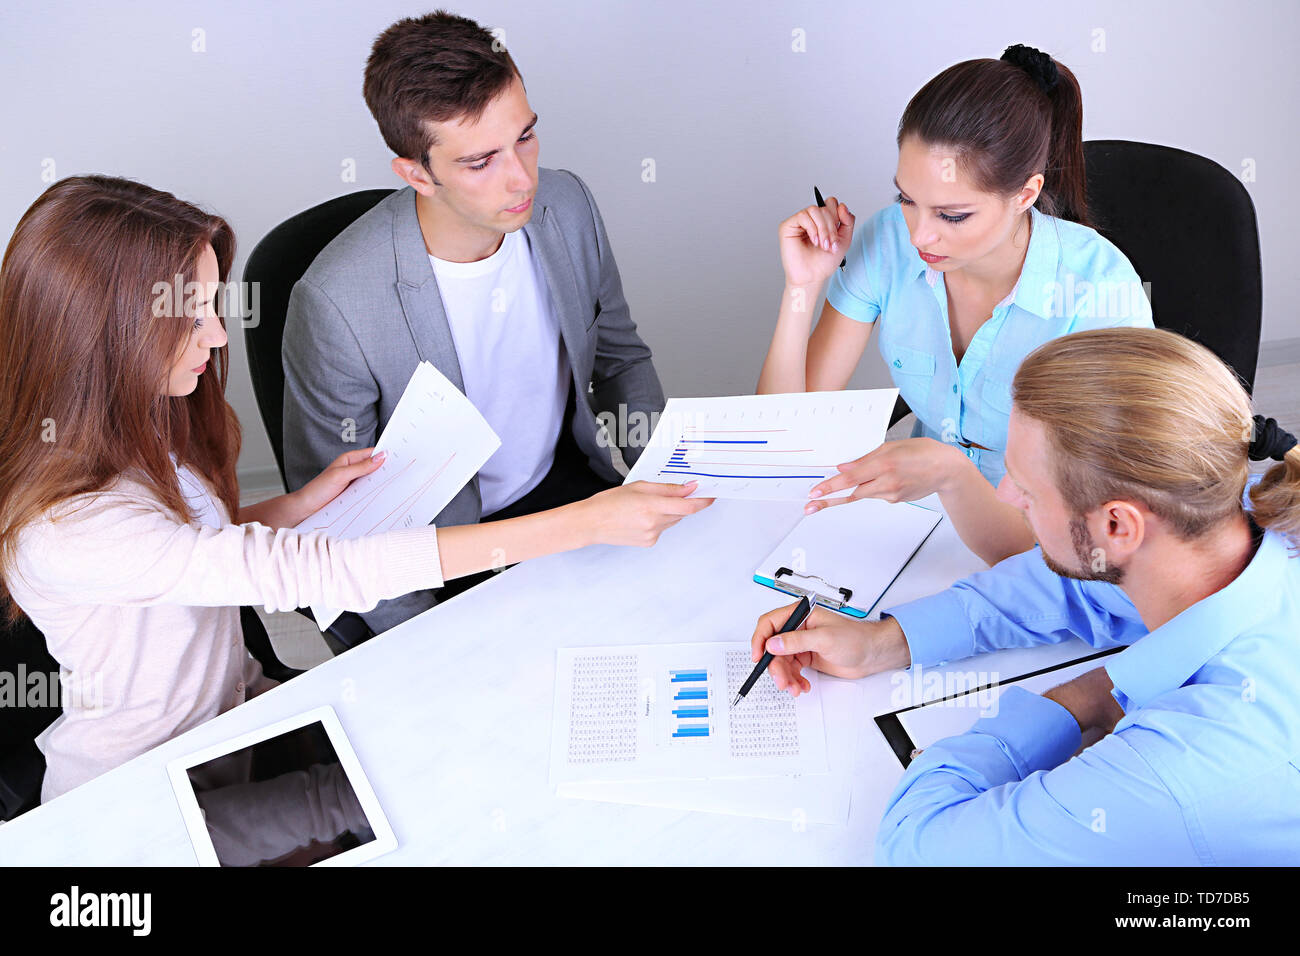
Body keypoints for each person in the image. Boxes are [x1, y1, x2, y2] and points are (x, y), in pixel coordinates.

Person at [0, 175, 710, 802]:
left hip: (239, 722)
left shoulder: (135, 429)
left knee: (460, 750)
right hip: (149, 790)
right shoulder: (72, 527)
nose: (217, 335)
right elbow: (320, 569)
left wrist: (300, 506)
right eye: (191, 316)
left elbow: (190, 551)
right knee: (457, 785)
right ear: (104, 335)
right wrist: (583, 522)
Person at [750, 327, 1300, 864]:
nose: (1006, 494)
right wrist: (887, 642)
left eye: (1027, 487)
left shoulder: (1181, 777)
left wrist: (1076, 702)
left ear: (1118, 525)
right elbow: (1078, 584)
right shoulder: (1236, 510)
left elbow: (917, 846)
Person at [282, 11, 672, 635]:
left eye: (525, 136)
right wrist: (421, 646)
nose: (522, 178)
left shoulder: (568, 205)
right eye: (480, 161)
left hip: (564, 485)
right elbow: (343, 522)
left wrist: (664, 478)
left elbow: (620, 359)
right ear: (416, 174)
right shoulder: (335, 305)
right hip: (438, 547)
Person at [757, 45, 1153, 566]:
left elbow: (1074, 544)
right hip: (915, 522)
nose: (921, 234)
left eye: (953, 215)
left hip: (1041, 546)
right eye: (907, 199)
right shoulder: (888, 243)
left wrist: (951, 474)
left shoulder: (1097, 292)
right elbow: (782, 431)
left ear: (1026, 194)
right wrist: (801, 287)